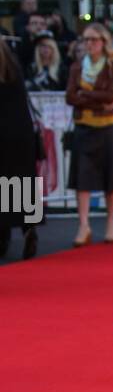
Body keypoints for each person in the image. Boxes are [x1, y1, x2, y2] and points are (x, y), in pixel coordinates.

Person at [64, 21, 113, 245]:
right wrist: (94, 99)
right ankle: (83, 225)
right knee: (82, 178)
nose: (89, 44)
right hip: (84, 127)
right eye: (86, 39)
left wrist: (84, 95)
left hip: (109, 127)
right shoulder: (76, 67)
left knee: (111, 177)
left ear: (104, 42)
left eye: (93, 39)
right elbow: (70, 97)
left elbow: (110, 96)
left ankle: (110, 222)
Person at [0, 37, 41, 260]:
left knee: (2, 184)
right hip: (21, 134)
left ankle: (3, 235)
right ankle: (28, 228)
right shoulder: (13, 66)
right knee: (20, 183)